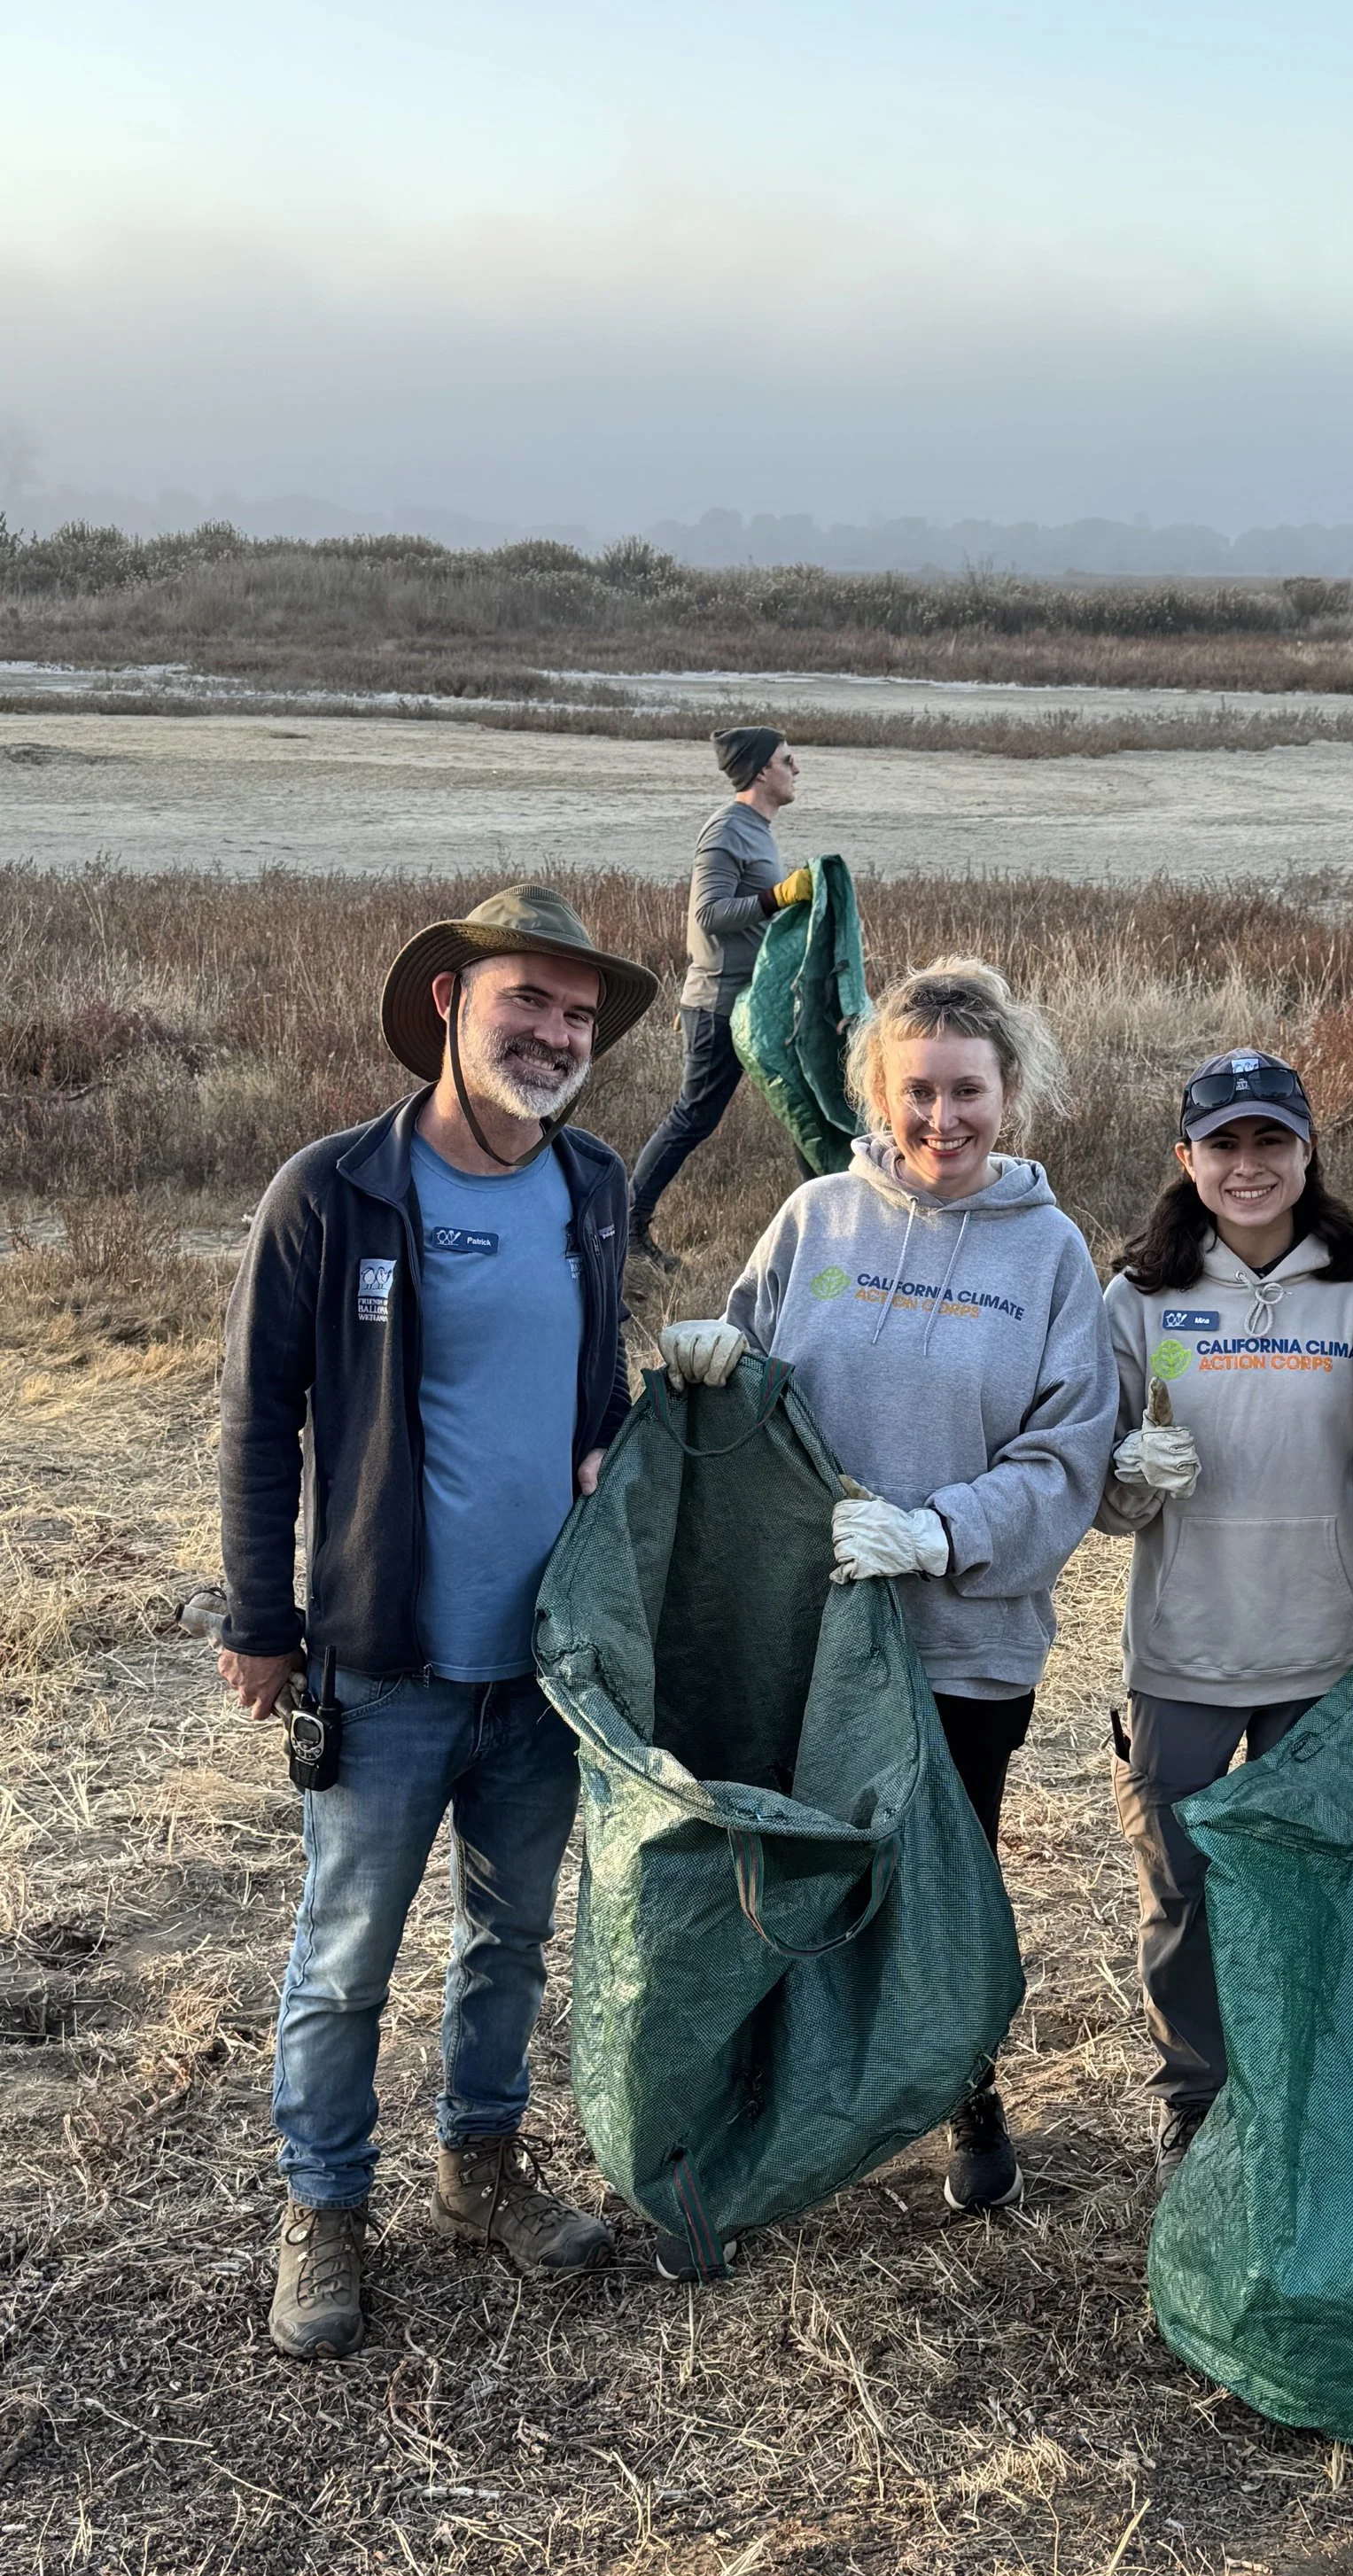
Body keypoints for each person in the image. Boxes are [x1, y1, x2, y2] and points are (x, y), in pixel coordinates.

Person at [216, 884, 662, 2359]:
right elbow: (260, 1421)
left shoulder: (592, 1182)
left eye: (578, 1012)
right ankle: (323, 2204)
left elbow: (590, 1377)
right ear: (448, 1010)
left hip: (542, 1666)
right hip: (382, 1656)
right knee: (346, 1947)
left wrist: (616, 1443)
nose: (555, 1031)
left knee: (511, 1935)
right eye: (526, 1000)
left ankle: (481, 2169)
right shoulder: (335, 1190)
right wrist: (262, 1617)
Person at [657, 958, 1118, 2217]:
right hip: (804, 1630)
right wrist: (712, 1360)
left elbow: (1068, 1453)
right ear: (878, 1090)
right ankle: (774, 2103)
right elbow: (748, 1370)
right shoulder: (816, 1220)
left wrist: (938, 1532)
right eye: (916, 1091)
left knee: (942, 1878)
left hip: (962, 1640)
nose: (941, 1119)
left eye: (967, 1091)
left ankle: (963, 2092)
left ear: (1009, 1094)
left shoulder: (1053, 1255)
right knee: (786, 1870)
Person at [1096, 1051, 1353, 2179]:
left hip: (1330, 1653)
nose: (1247, 1166)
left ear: (1306, 1153)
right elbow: (1107, 1504)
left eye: (1270, 1142)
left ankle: (1317, 2086)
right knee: (1187, 1895)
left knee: (1328, 1890)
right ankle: (1197, 2104)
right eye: (1223, 1145)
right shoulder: (1136, 1300)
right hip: (1185, 1655)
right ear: (1186, 1161)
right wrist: (1132, 1472)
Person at [627, 727, 813, 1271]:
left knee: (799, 1105)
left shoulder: (759, 830)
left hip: (756, 1003)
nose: (796, 767)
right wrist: (777, 895)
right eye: (786, 758)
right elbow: (709, 914)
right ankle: (629, 1233)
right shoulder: (726, 830)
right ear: (760, 771)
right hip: (717, 1003)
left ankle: (836, 1219)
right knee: (693, 1118)